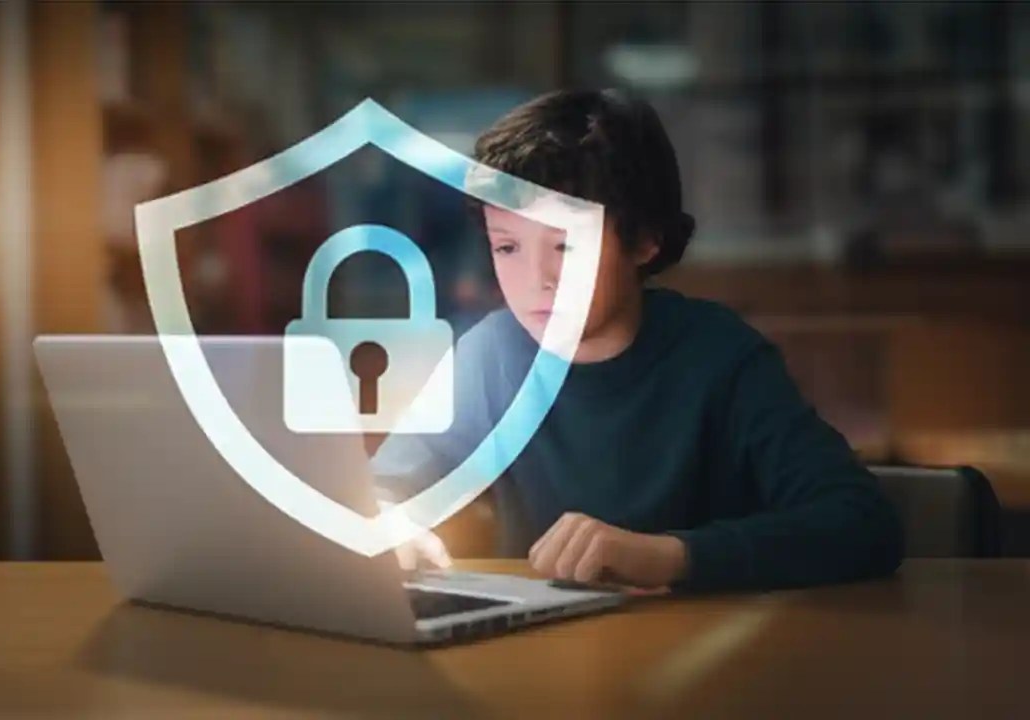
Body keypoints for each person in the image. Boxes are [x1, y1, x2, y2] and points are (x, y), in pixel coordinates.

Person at [373, 89, 904, 593]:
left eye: (565, 247)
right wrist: (391, 526)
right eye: (507, 247)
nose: (537, 278)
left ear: (646, 238)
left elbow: (861, 521)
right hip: (535, 657)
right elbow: (383, 489)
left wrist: (671, 556)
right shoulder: (491, 356)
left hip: (704, 652)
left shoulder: (720, 357)